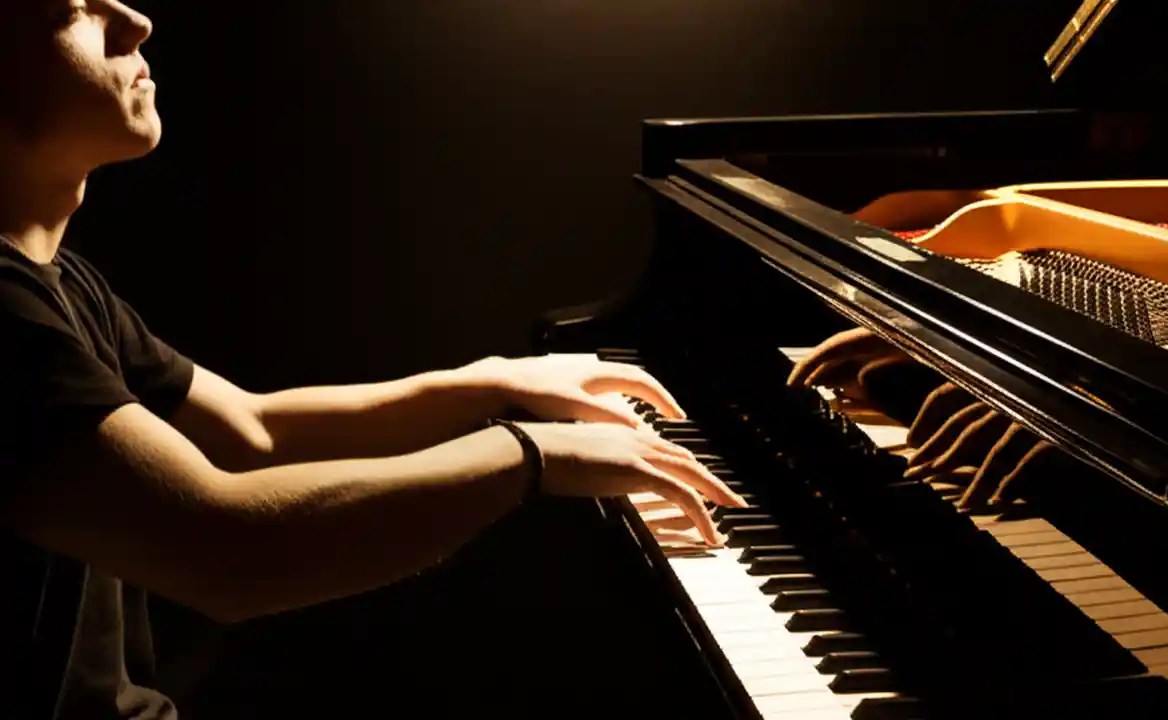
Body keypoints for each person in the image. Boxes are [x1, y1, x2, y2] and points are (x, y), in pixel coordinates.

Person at [0, 1, 746, 718]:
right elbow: (227, 549)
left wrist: (488, 382)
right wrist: (532, 455)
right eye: (71, 8)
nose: (134, 22)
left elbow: (255, 428)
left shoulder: (60, 280)